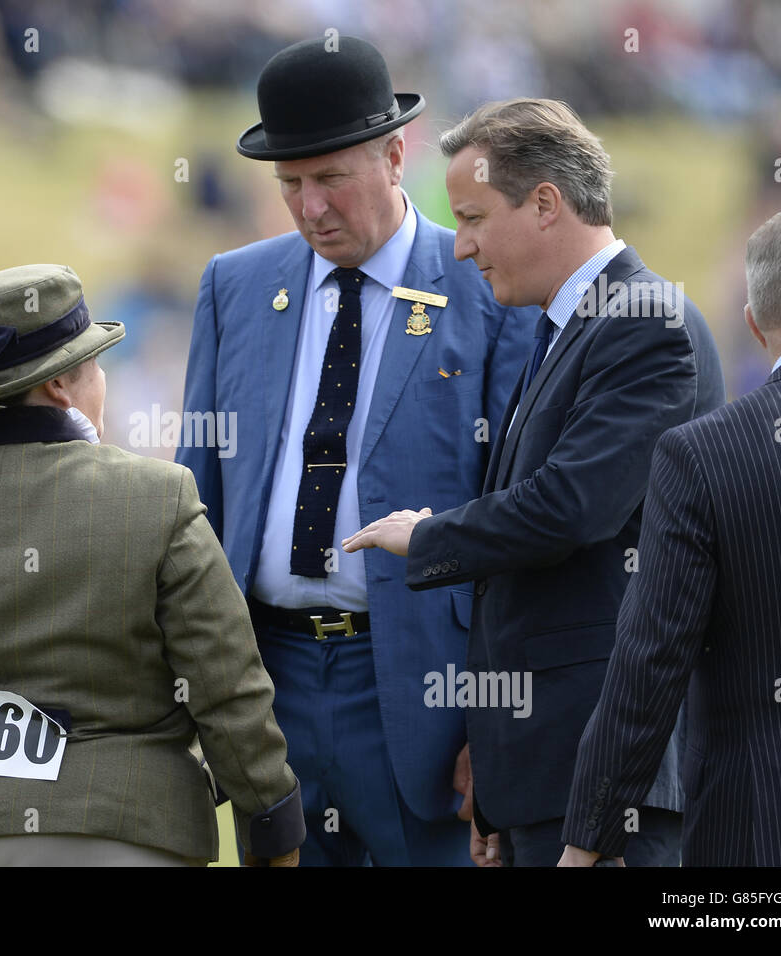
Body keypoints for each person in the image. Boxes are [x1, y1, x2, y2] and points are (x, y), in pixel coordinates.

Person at [0, 264, 305, 867]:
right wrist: (271, 821)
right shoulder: (158, 497)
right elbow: (227, 689)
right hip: (113, 831)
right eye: (96, 366)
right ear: (63, 385)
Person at [176, 36, 534, 866]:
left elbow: (517, 516)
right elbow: (198, 501)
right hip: (270, 688)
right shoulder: (232, 285)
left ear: (396, 154)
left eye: (331, 178)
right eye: (290, 184)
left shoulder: (487, 285)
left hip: (424, 687)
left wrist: (495, 719)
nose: (310, 208)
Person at [342, 98, 726, 867]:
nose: (462, 247)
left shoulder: (644, 320)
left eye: (475, 217)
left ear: (545, 203)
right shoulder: (567, 329)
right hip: (546, 779)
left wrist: (428, 537)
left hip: (610, 787)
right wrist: (498, 768)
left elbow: (570, 509)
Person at [559, 203, 781, 867]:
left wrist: (586, 840)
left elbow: (650, 661)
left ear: (753, 325)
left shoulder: (703, 454)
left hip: (763, 828)